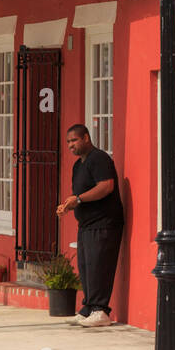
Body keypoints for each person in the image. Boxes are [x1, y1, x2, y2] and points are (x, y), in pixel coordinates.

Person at [56, 124, 124, 328]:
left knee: (99, 266)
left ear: (86, 138)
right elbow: (79, 196)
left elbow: (106, 186)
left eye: (74, 140)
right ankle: (87, 308)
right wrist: (68, 206)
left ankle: (100, 310)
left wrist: (78, 199)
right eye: (68, 142)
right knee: (86, 268)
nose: (70, 145)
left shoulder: (99, 158)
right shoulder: (78, 165)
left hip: (104, 223)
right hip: (86, 224)